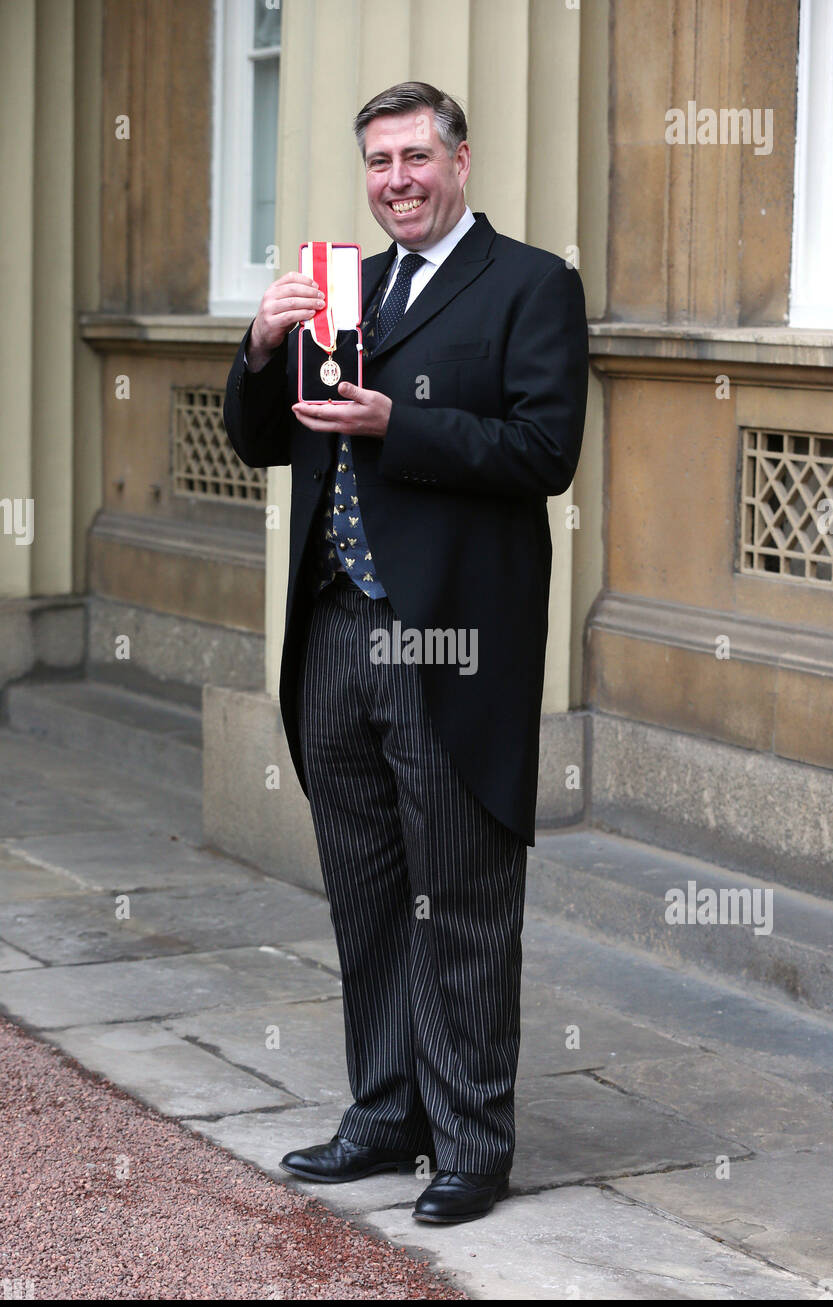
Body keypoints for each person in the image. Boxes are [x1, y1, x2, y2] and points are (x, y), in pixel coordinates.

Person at [223, 81, 588, 1224]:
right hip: (334, 631)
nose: (396, 181)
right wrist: (260, 343)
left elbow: (545, 449)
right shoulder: (350, 288)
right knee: (369, 892)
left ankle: (472, 1143)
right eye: (378, 161)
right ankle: (387, 1113)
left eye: (416, 157)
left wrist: (400, 425)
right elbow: (260, 441)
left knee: (465, 895)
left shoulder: (533, 284)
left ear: (461, 161)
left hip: (449, 644)